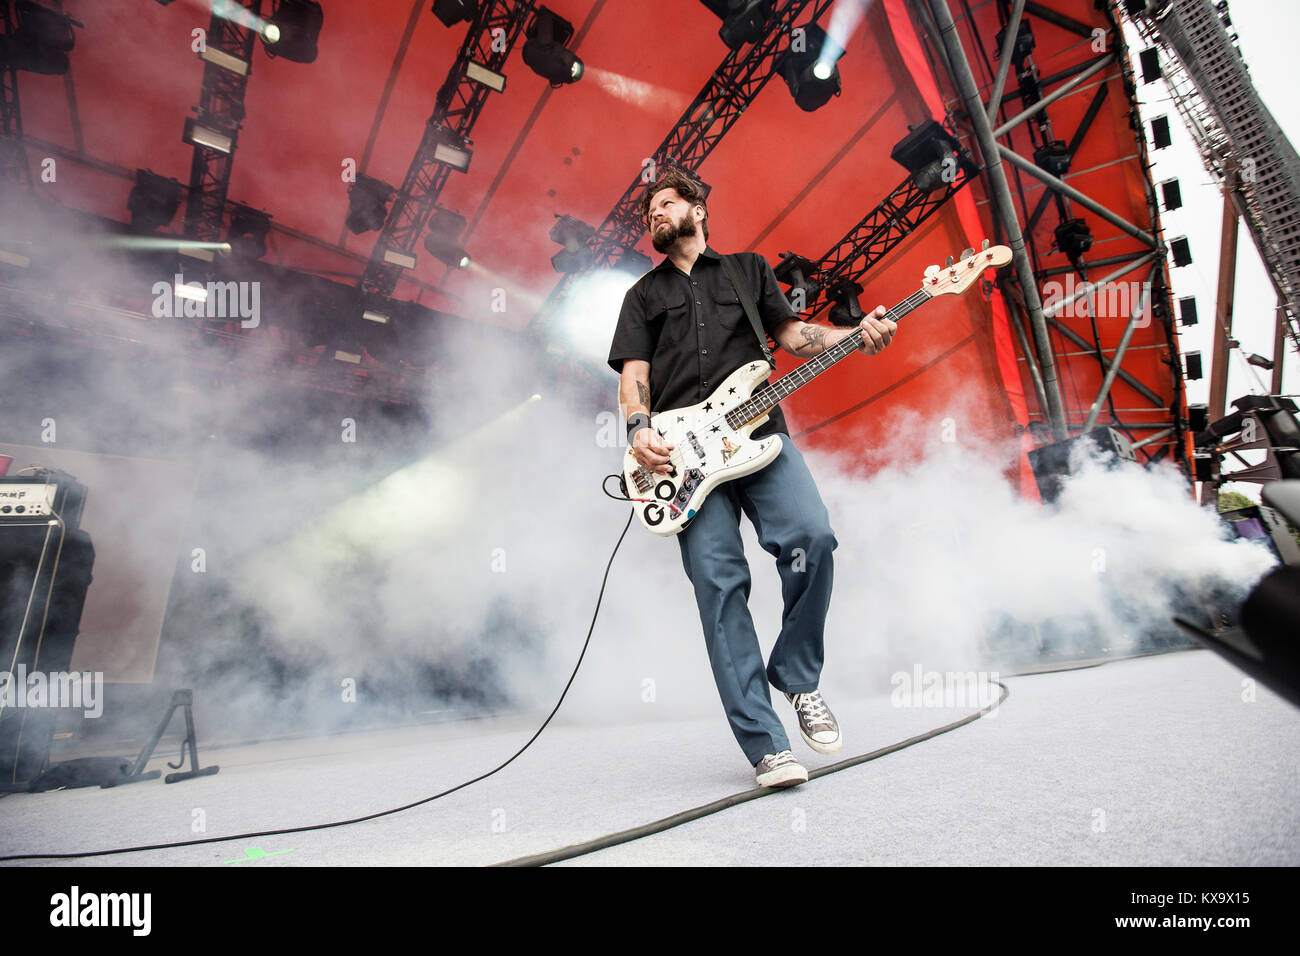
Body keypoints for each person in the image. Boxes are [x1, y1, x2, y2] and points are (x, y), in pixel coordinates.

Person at [607, 166, 897, 788]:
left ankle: (796, 677)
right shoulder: (642, 296)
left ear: (697, 208)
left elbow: (794, 335)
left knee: (812, 538)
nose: (653, 215)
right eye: (649, 210)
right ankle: (766, 744)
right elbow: (634, 374)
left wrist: (856, 336)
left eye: (664, 203)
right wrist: (638, 430)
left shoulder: (748, 269)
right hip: (684, 460)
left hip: (761, 436)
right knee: (719, 587)